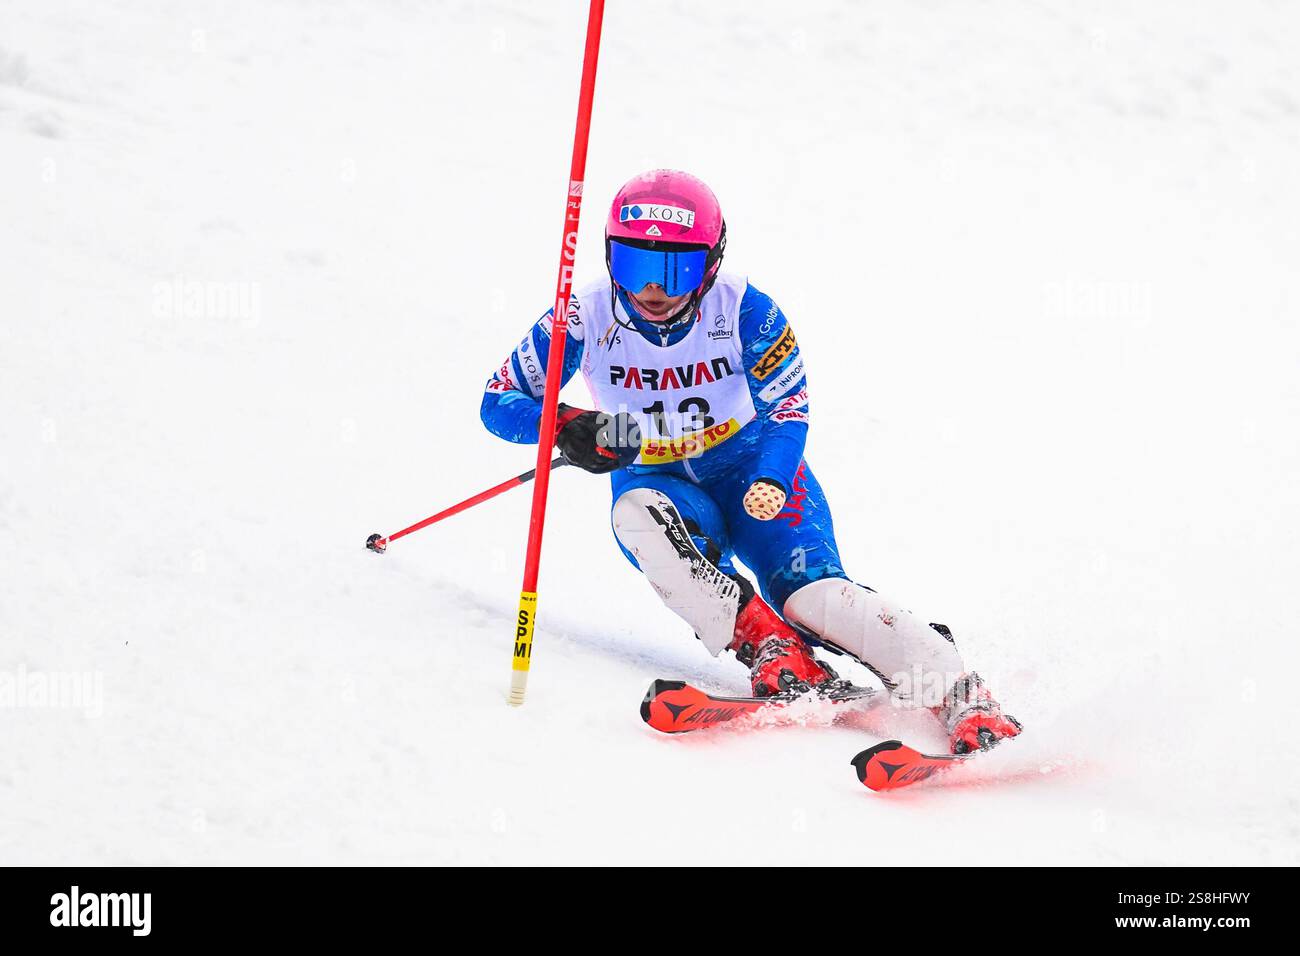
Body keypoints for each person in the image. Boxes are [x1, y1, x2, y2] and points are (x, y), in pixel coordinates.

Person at [480, 169, 1020, 754]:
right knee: (638, 516)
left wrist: (769, 476)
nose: (653, 291)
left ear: (711, 262)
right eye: (635, 267)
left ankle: (960, 692)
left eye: (676, 269)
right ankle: (768, 645)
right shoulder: (582, 315)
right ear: (610, 256)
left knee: (813, 597)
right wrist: (566, 424)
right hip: (655, 479)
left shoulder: (745, 310)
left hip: (750, 470)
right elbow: (499, 403)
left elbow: (789, 409)